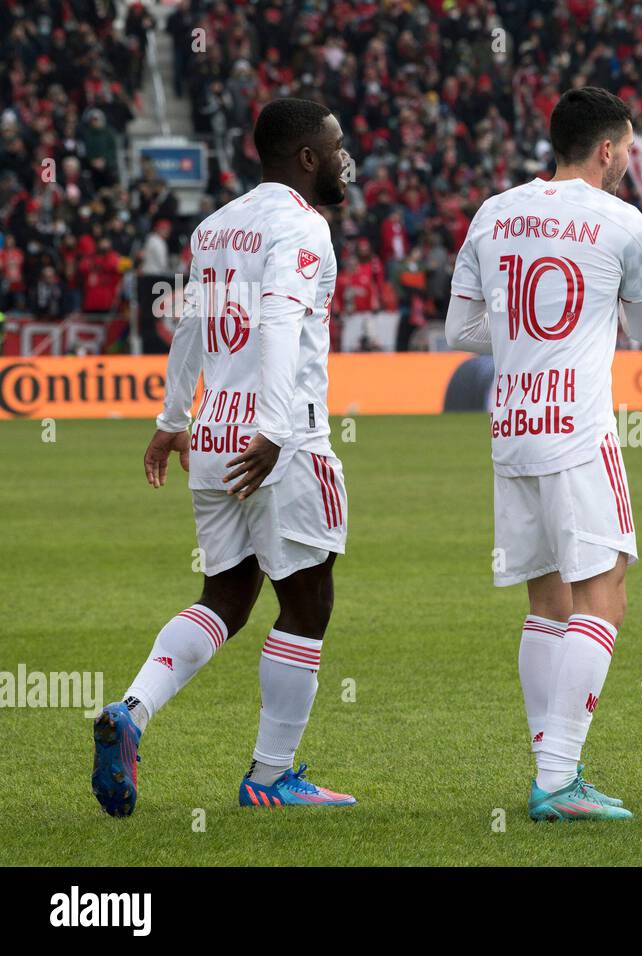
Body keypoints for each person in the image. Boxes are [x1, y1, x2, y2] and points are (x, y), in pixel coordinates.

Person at [92, 97, 355, 815]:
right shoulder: (304, 227)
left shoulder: (216, 226)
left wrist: (173, 418)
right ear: (306, 157)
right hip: (280, 442)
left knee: (226, 596)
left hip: (212, 437)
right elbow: (276, 322)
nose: (342, 158)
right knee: (308, 600)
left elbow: (190, 324)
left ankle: (132, 712)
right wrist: (274, 429)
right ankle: (270, 778)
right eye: (334, 147)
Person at [446, 86, 642, 822]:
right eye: (629, 148)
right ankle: (559, 776)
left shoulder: (494, 211)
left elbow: (460, 328)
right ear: (607, 149)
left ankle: (551, 766)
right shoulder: (626, 223)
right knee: (606, 591)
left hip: (510, 423)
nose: (630, 160)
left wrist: (520, 341)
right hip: (577, 426)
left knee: (547, 602)